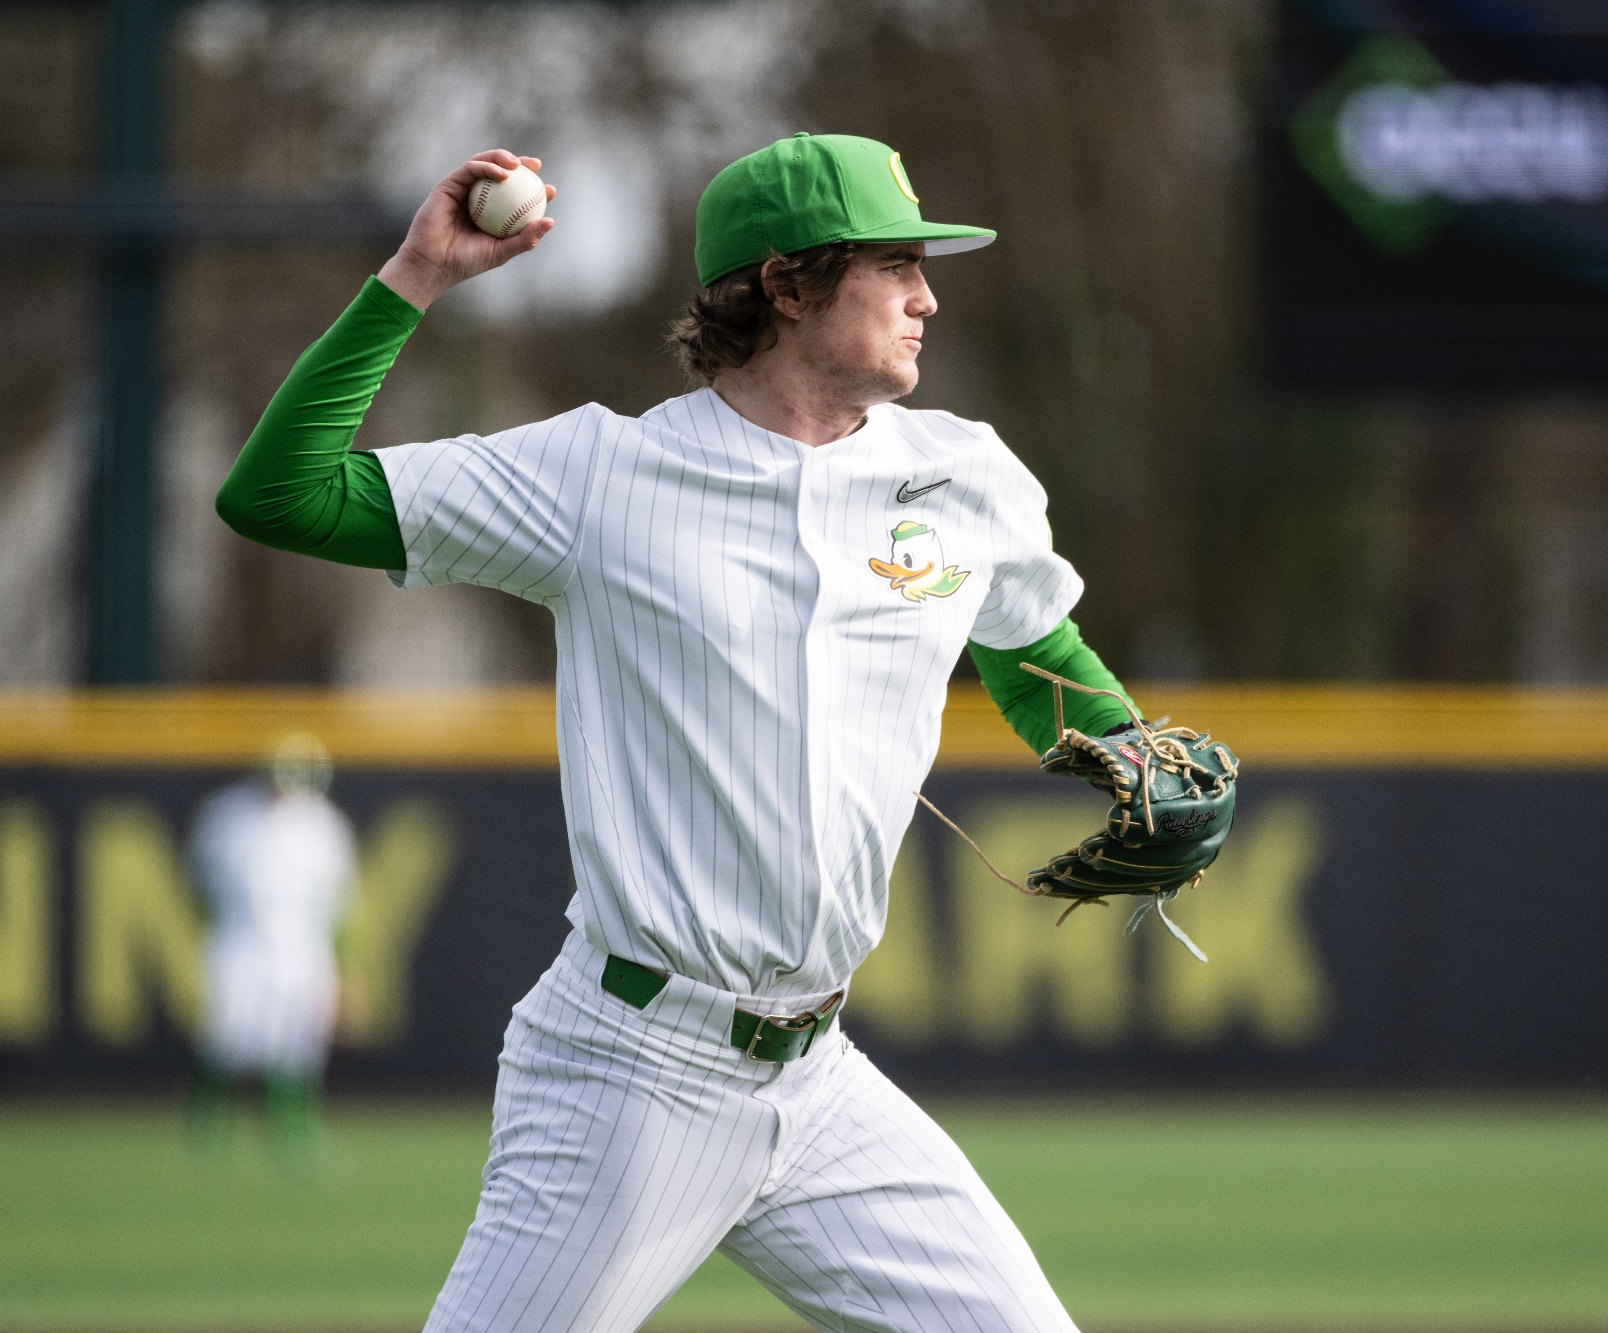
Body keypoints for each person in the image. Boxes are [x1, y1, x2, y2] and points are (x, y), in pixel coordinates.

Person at [216, 134, 1151, 1331]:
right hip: (631, 1074)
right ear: (785, 283)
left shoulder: (962, 474)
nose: (926, 295)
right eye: (894, 266)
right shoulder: (601, 476)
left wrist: (1124, 754)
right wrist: (415, 279)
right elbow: (277, 494)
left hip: (816, 1082)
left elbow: (1030, 648)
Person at [186, 732, 358, 1165]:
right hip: (240, 937)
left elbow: (340, 903)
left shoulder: (325, 825)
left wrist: (345, 967)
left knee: (298, 1041)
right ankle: (207, 1128)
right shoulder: (228, 814)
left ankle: (292, 1132)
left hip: (304, 942)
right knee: (229, 1033)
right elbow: (199, 885)